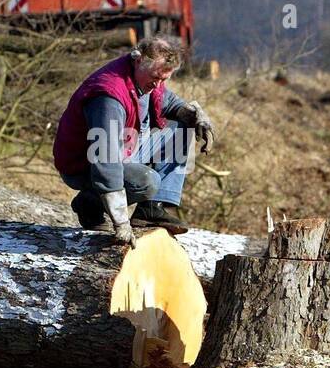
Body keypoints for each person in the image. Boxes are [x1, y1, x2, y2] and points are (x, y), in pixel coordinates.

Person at [53, 35, 215, 245]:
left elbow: (169, 102)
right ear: (138, 60)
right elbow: (106, 160)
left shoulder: (145, 77)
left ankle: (150, 209)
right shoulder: (109, 96)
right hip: (85, 164)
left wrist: (198, 117)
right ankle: (91, 203)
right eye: (155, 78)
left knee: (183, 127)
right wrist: (121, 223)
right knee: (147, 181)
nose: (157, 85)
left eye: (163, 80)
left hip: (125, 147)